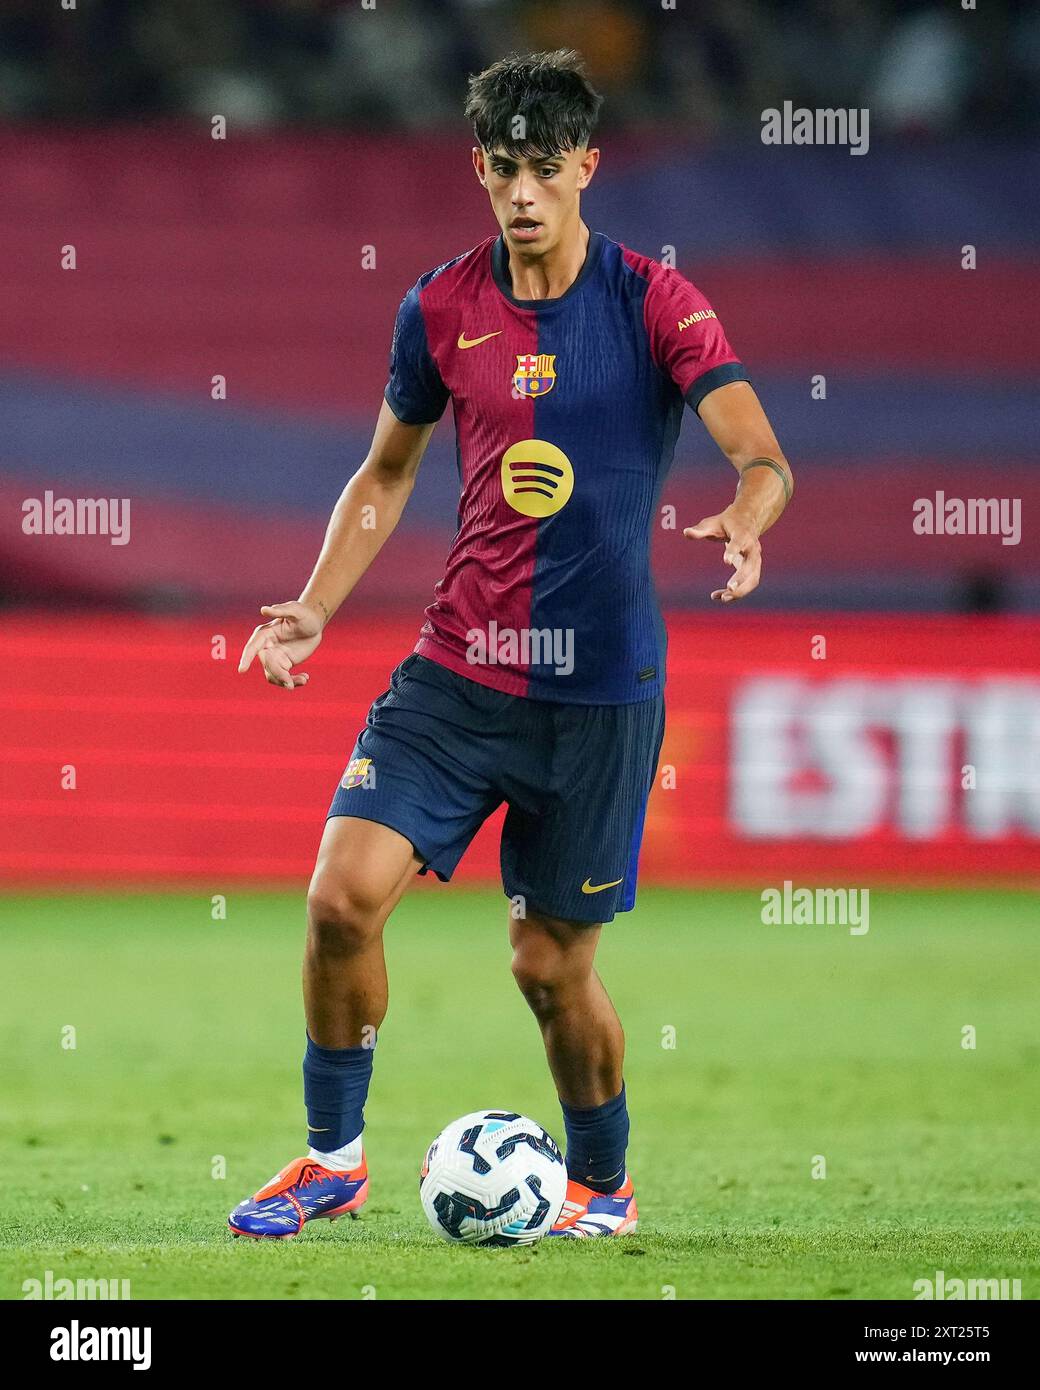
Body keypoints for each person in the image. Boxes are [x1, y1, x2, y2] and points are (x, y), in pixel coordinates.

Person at [229, 48, 793, 1241]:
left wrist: (748, 508)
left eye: (545, 166)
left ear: (586, 165)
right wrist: (316, 603)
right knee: (339, 900)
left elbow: (757, 447)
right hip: (455, 672)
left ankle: (603, 1186)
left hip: (595, 698)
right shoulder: (438, 305)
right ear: (478, 171)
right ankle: (332, 1160)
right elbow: (385, 473)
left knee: (547, 967)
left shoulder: (655, 302)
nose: (523, 190)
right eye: (501, 168)